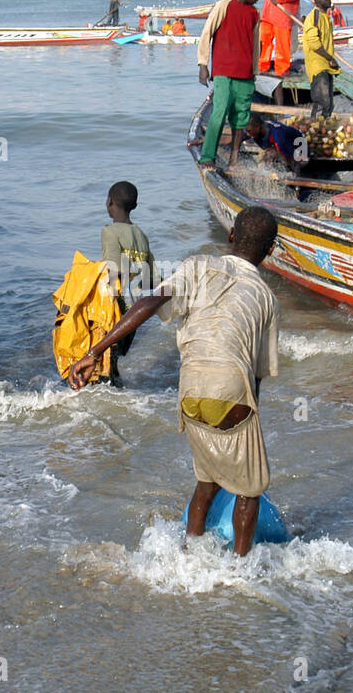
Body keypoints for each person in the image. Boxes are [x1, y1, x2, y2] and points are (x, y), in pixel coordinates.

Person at [67, 207, 280, 557]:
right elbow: (255, 378)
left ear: (230, 235)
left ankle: (189, 552)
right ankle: (242, 571)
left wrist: (95, 351)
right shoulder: (267, 299)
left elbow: (150, 302)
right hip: (231, 392)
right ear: (270, 250)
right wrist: (246, 422)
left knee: (207, 481)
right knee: (249, 491)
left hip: (189, 394)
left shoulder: (198, 266)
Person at [196, 0, 267, 168]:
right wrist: (203, 64)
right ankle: (208, 157)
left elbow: (255, 44)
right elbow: (206, 33)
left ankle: (234, 158)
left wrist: (255, 70)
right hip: (223, 71)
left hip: (245, 74)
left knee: (240, 118)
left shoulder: (254, 13)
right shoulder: (225, 5)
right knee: (219, 112)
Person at [101, 181, 156, 377]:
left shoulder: (110, 231)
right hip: (136, 309)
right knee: (115, 357)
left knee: (106, 355)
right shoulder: (141, 234)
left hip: (118, 305)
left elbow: (112, 270)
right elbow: (153, 278)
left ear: (109, 202)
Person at [302, 0, 340, 118]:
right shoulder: (315, 16)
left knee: (328, 104)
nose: (329, 0)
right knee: (321, 102)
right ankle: (316, 129)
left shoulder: (325, 17)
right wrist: (330, 58)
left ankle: (323, 128)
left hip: (326, 65)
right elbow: (314, 43)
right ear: (317, 0)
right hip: (318, 66)